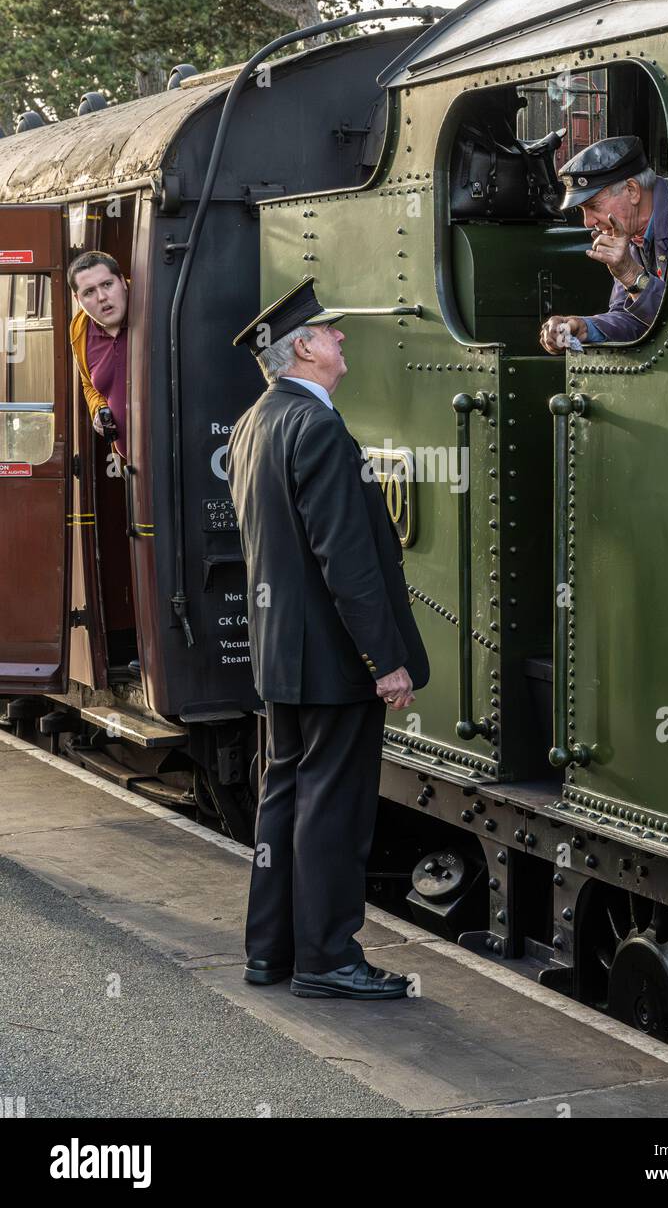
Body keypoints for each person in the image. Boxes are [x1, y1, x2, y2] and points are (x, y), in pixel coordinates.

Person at [227, 278, 430, 1000]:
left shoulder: (257, 421)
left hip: (282, 651)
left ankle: (270, 952)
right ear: (304, 349)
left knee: (283, 795)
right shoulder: (316, 427)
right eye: (330, 332)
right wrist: (386, 660)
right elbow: (345, 560)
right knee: (333, 810)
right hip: (332, 657)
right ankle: (327, 959)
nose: (341, 338)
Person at [540, 135, 668, 352]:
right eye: (582, 211)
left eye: (594, 207)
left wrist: (631, 275)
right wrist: (583, 327)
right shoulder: (629, 234)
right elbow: (631, 318)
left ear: (632, 191)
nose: (588, 222)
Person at [67, 250, 129, 458]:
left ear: (122, 281)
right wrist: (99, 409)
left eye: (107, 285)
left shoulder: (153, 306)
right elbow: (88, 384)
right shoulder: (80, 330)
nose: (102, 297)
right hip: (132, 470)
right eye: (89, 292)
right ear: (78, 299)